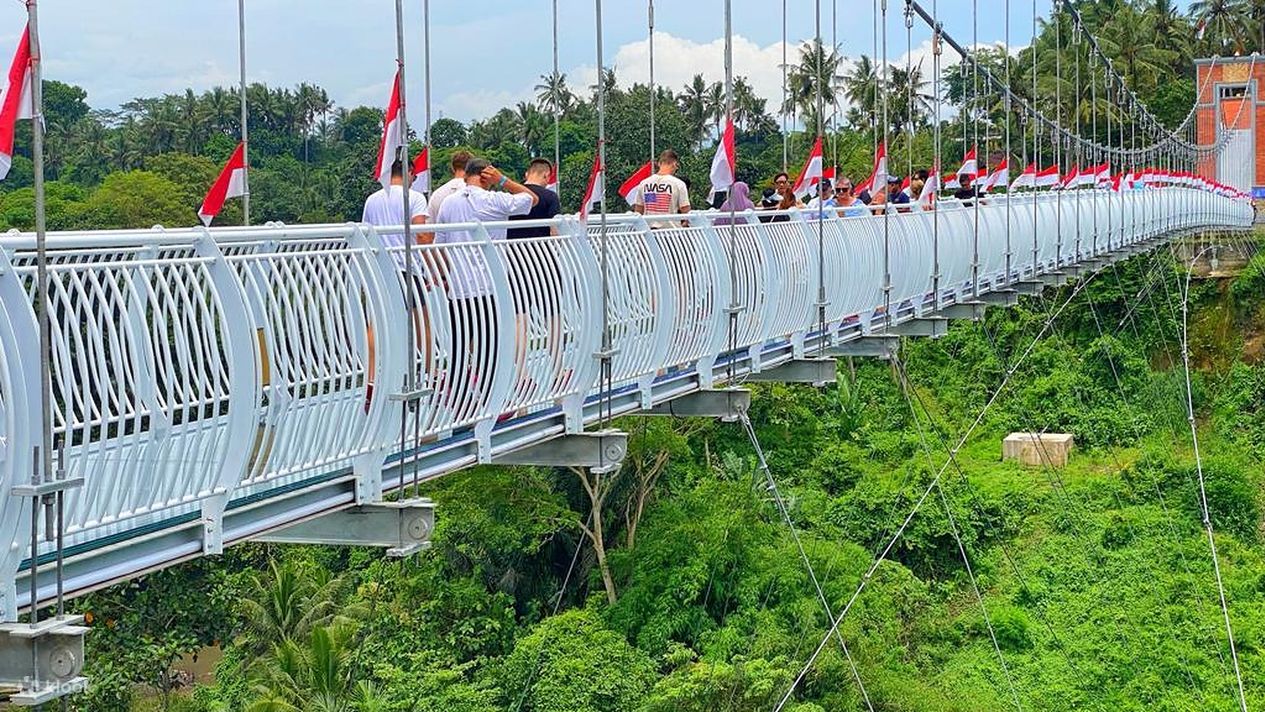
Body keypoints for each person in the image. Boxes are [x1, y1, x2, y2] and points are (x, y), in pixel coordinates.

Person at [434, 158, 539, 413]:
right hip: (489, 287)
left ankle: (459, 403)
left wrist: (443, 277)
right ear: (485, 176)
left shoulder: (449, 202)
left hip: (458, 289)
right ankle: (496, 401)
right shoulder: (493, 200)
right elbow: (531, 198)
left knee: (459, 347)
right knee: (491, 346)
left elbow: (440, 242)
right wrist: (502, 180)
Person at [360, 159, 430, 411]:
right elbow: (422, 235)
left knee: (376, 324)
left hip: (381, 268)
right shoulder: (415, 197)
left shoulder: (372, 199)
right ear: (410, 173)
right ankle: (428, 374)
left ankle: (370, 380)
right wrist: (431, 267)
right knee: (422, 322)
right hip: (407, 267)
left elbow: (365, 233)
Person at [633, 149, 691, 228]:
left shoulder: (644, 184)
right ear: (674, 164)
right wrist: (684, 225)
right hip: (671, 233)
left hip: (649, 233)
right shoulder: (679, 184)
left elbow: (638, 211)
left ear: (659, 164)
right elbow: (686, 211)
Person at [506, 157, 561, 239]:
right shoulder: (551, 197)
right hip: (542, 249)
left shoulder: (512, 194)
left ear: (526, 174)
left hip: (512, 248)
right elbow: (555, 230)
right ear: (546, 175)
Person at [427, 149, 473, 219]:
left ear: (453, 168)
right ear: (472, 168)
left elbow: (429, 226)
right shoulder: (475, 193)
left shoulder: (437, 194)